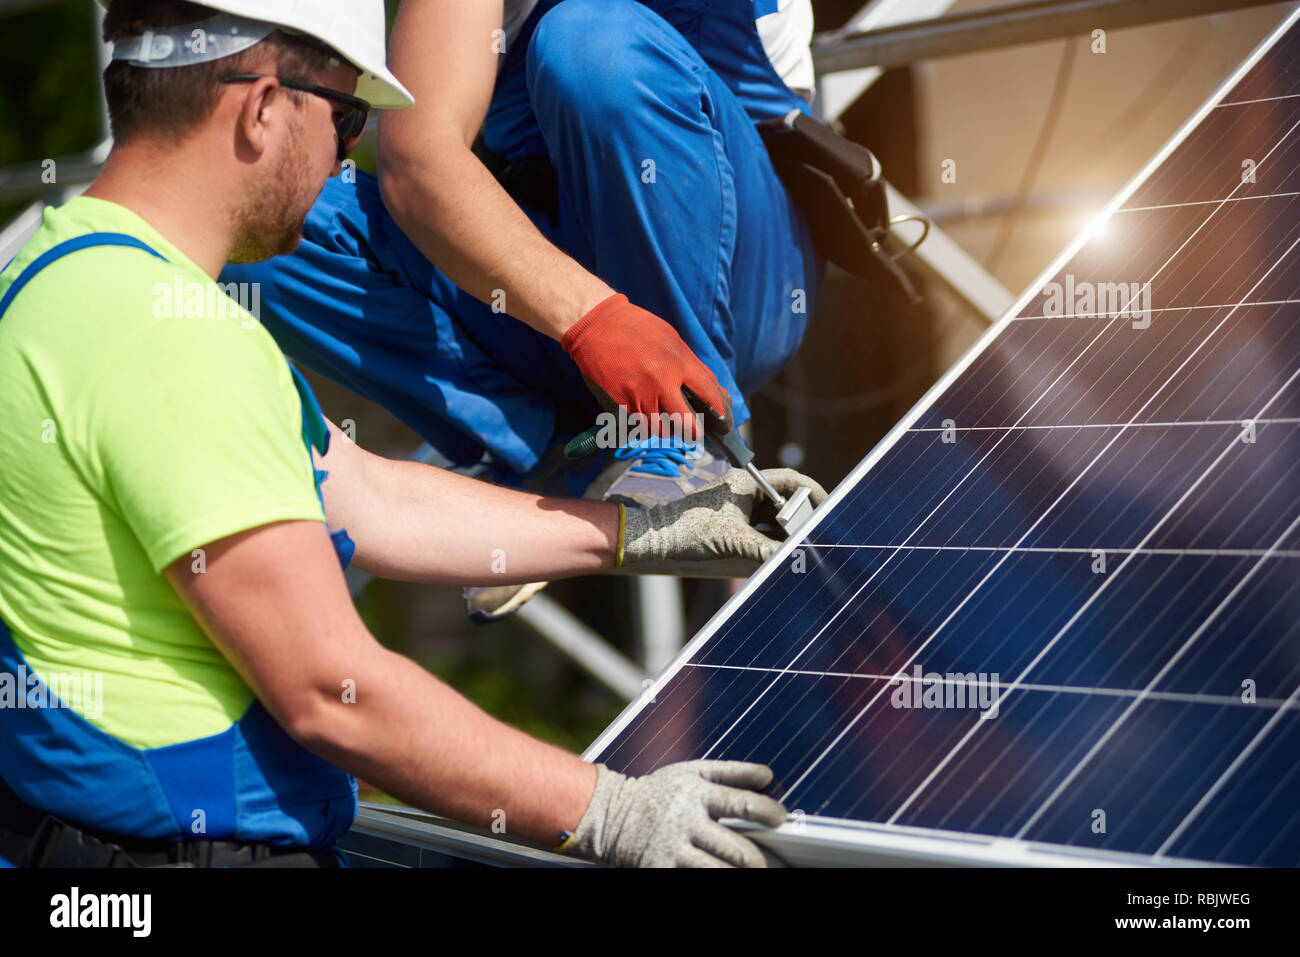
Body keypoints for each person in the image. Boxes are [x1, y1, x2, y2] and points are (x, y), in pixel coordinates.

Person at [0, 0, 826, 868]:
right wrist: (609, 809)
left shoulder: (59, 280)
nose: (340, 159)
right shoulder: (170, 341)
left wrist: (634, 532)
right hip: (168, 857)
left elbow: (371, 497)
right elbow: (334, 693)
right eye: (346, 117)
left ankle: (582, 449)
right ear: (261, 108)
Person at [220, 0, 825, 620]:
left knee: (589, 41)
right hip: (562, 311)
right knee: (238, 205)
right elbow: (418, 161)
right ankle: (547, 452)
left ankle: (682, 435)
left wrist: (596, 320)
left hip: (739, 276)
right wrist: (592, 319)